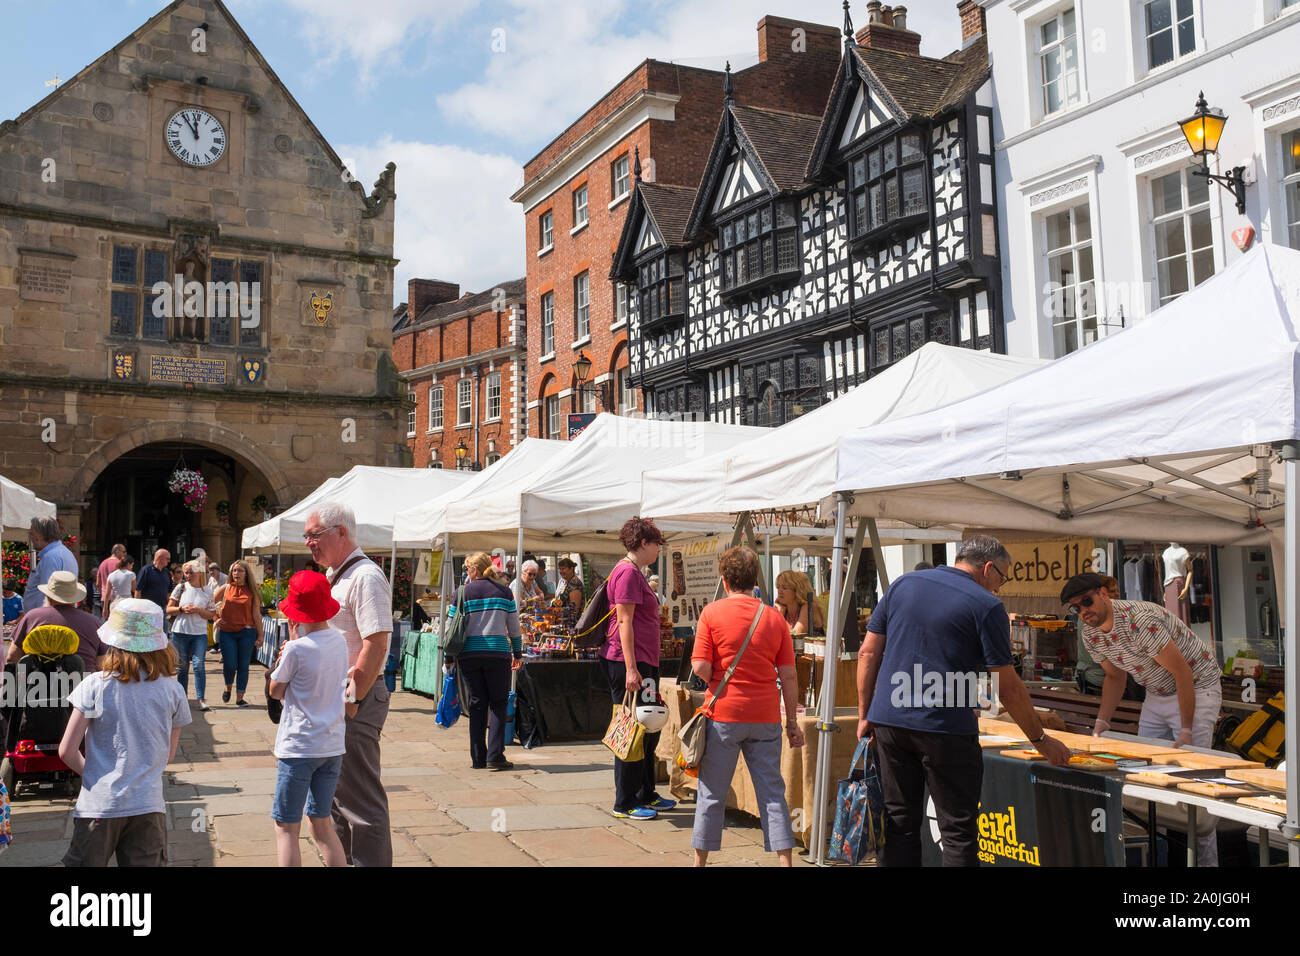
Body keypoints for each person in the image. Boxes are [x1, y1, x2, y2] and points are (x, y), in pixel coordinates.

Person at [857, 535, 1071, 867]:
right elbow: (1008, 687)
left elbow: (867, 652)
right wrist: (1039, 739)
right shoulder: (986, 605)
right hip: (946, 727)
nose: (1000, 587)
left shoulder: (903, 585)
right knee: (957, 831)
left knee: (900, 825)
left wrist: (864, 713)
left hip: (891, 719)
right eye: (1002, 577)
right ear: (988, 568)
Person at [1061, 571, 1224, 866]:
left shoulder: (1141, 621)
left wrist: (1186, 729)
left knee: (1196, 784)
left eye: (1086, 601)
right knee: (1147, 780)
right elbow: (1114, 676)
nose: (1083, 611)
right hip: (1156, 692)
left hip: (1197, 687)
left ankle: (1207, 865)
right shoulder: (1090, 632)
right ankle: (1159, 859)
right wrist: (1103, 723)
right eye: (1076, 608)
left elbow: (1183, 672)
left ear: (1103, 594)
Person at [690, 546, 802, 866]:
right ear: (755, 580)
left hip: (724, 713)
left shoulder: (712, 613)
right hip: (766, 715)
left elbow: (699, 667)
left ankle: (700, 863)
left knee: (712, 794)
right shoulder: (774, 617)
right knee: (772, 794)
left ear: (724, 581)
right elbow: (789, 675)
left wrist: (716, 673)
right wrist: (791, 723)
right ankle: (785, 862)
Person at [57, 598, 190, 867]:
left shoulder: (95, 685)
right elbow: (167, 756)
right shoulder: (173, 690)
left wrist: (94, 774)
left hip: (99, 804)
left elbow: (66, 751)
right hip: (147, 804)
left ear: (113, 642)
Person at [303, 502, 393, 867]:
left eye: (314, 535)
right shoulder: (336, 575)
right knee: (335, 798)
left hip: (355, 697)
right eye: (307, 536)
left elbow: (377, 642)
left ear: (341, 532)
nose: (309, 543)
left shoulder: (366, 576)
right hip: (336, 700)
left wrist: (351, 698)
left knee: (359, 799)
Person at [267, 570, 350, 867]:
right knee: (322, 822)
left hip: (299, 746)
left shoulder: (296, 650)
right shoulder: (340, 642)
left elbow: (276, 691)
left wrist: (287, 649)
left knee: (286, 827)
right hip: (331, 745)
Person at [601, 516, 675, 820]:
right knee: (632, 728)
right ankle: (625, 801)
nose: (659, 549)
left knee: (648, 727)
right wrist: (632, 669)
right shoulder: (628, 573)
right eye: (657, 543)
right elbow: (624, 621)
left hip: (644, 661)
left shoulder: (636, 573)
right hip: (629, 662)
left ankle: (645, 791)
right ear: (643, 543)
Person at [447, 552, 523, 770]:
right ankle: (495, 756)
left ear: (474, 570)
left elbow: (451, 627)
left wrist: (449, 658)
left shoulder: (462, 593)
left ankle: (478, 758)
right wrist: (517, 653)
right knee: (498, 704)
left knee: (477, 704)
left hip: (469, 655)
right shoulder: (505, 592)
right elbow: (514, 628)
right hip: (498, 655)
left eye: (467, 568)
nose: (466, 572)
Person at [6, 570, 107, 671]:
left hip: (36, 684)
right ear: (75, 598)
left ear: (48, 596)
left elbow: (12, 657)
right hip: (82, 683)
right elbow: (101, 665)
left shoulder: (31, 617)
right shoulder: (94, 622)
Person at [168, 560, 216, 712]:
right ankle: (183, 700)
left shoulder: (207, 591)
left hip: (199, 634)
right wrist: (181, 609)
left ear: (199, 573)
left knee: (198, 666)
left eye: (190, 572)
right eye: (186, 572)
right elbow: (169, 609)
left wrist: (198, 611)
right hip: (180, 632)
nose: (187, 575)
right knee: (182, 668)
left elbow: (212, 614)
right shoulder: (180, 587)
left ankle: (201, 699)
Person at [212, 560, 262, 706]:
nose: (236, 573)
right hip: (227, 632)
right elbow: (209, 603)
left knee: (243, 665)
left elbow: (257, 615)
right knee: (230, 664)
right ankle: (228, 688)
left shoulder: (252, 591)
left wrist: (261, 635)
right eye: (234, 571)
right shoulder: (226, 588)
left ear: (246, 573)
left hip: (247, 632)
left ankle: (240, 698)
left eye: (240, 571)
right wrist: (215, 618)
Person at [22, 517, 78, 616]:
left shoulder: (51, 557)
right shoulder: (63, 553)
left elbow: (48, 594)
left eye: (31, 533)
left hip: (46, 620)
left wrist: (41, 620)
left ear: (40, 534)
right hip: (57, 616)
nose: (30, 537)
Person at [775, 569, 825, 635]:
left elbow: (796, 636)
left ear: (797, 591)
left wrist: (780, 615)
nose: (779, 591)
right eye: (778, 587)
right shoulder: (782, 608)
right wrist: (780, 612)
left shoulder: (809, 606)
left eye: (785, 588)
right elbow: (772, 635)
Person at [95, 544, 126, 619]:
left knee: (107, 624)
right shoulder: (120, 564)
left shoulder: (103, 563)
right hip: (117, 599)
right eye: (123, 552)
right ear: (117, 551)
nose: (125, 554)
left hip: (105, 599)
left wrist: (103, 593)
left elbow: (98, 584)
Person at [105, 554, 136, 619]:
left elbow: (107, 594)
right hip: (127, 602)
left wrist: (105, 608)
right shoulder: (131, 574)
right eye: (132, 565)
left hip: (115, 602)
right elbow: (134, 590)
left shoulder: (111, 575)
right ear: (128, 564)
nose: (132, 567)